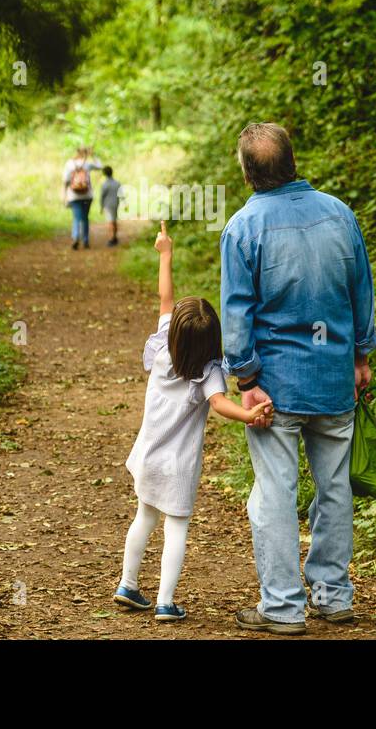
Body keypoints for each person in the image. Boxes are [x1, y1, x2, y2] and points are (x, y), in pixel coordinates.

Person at [219, 122, 376, 635]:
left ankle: (283, 607)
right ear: (293, 159)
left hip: (276, 389)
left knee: (274, 493)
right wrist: (359, 356)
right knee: (334, 488)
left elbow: (237, 313)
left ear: (247, 172)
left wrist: (246, 380)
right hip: (333, 378)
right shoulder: (340, 214)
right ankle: (333, 597)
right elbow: (361, 292)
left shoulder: (242, 229)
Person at [115, 221, 274, 623]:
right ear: (212, 340)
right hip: (179, 467)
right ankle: (166, 602)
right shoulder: (209, 370)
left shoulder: (165, 345)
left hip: (148, 456)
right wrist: (250, 414)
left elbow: (165, 299)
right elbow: (221, 405)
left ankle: (128, 585)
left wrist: (164, 254)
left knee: (144, 518)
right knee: (176, 530)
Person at [62, 146, 103, 250]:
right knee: (85, 218)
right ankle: (85, 240)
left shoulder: (69, 164)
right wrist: (93, 155)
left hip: (74, 195)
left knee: (76, 217)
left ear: (76, 152)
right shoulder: (87, 164)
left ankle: (75, 237)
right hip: (87, 195)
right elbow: (100, 166)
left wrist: (64, 194)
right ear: (85, 153)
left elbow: (66, 180)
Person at [100, 166, 122, 247]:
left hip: (108, 205)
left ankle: (112, 238)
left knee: (110, 222)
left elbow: (102, 197)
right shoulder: (117, 183)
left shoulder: (105, 184)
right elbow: (121, 194)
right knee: (114, 221)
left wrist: (101, 206)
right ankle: (115, 237)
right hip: (116, 204)